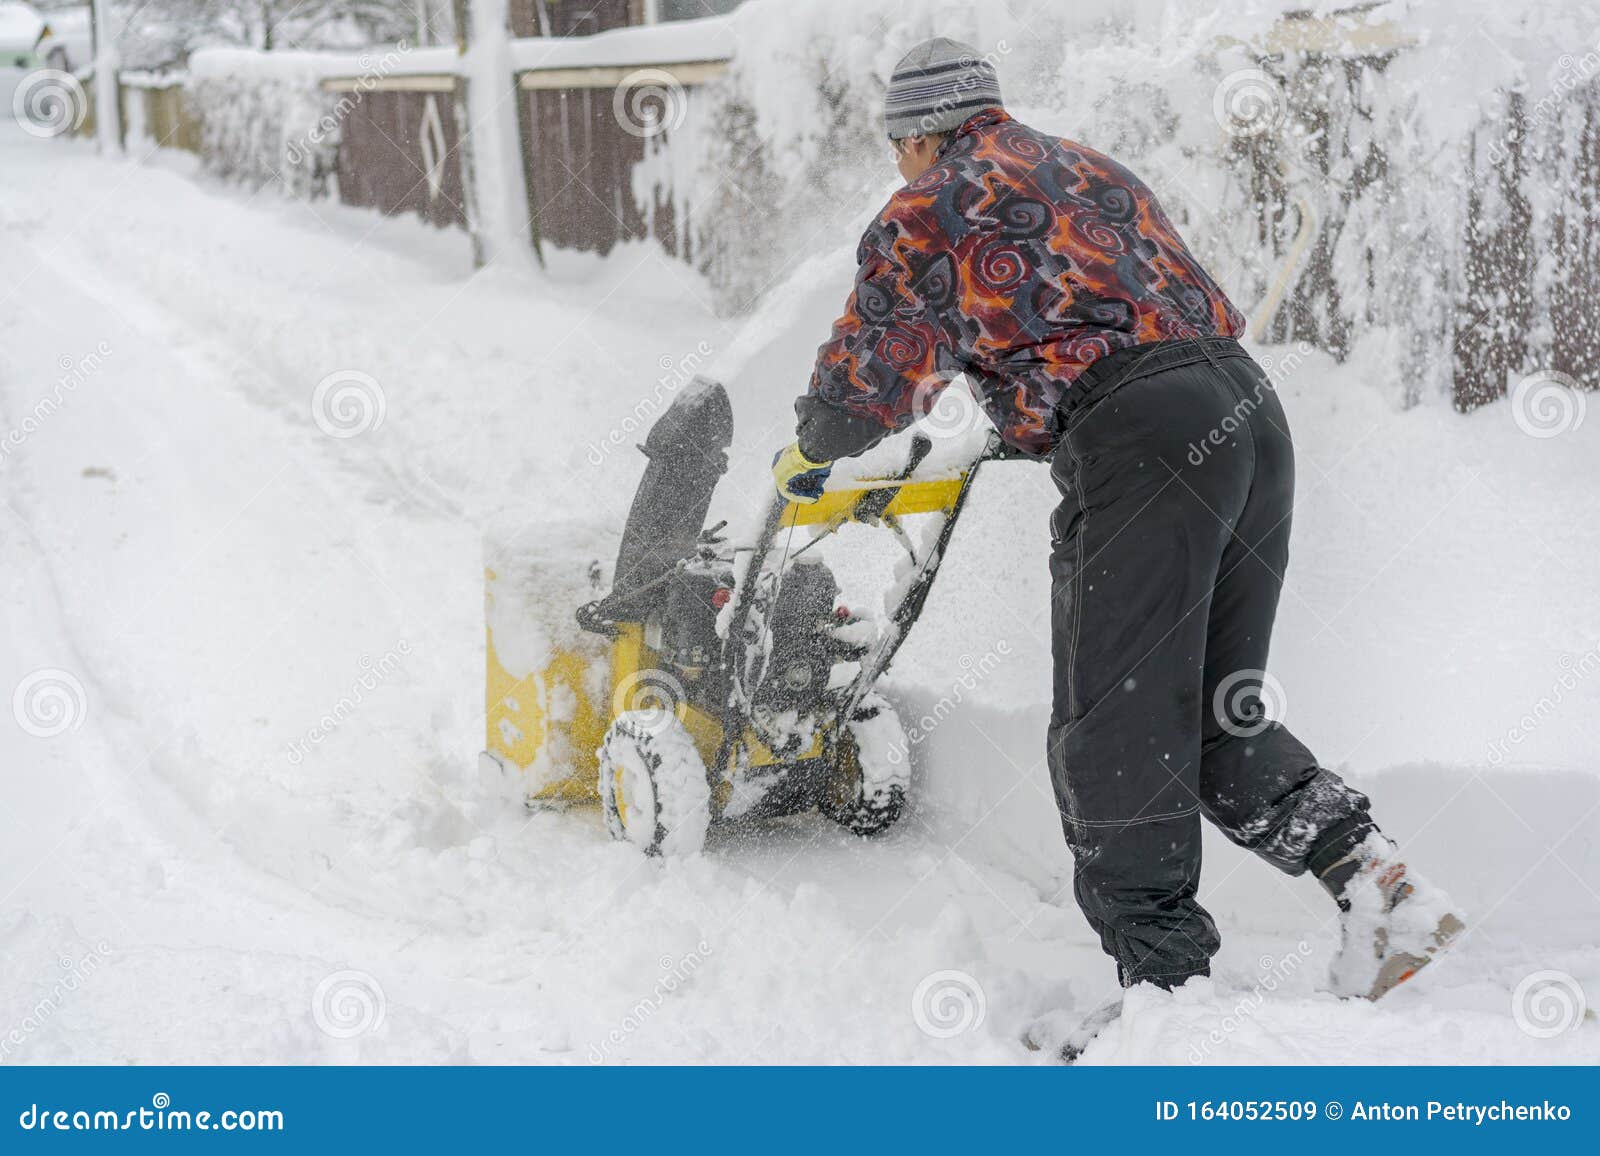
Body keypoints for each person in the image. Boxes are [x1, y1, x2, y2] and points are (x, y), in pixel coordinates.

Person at [770, 37, 1463, 1058]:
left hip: (1141, 439)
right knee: (1216, 710)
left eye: (898, 149)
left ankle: (1165, 1003)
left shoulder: (929, 203)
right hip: (1244, 411)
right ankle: (1380, 887)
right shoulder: (1086, 169)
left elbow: (873, 366)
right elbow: (1101, 327)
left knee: (1115, 730)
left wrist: (817, 441)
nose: (900, 167)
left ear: (918, 137)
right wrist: (1028, 420)